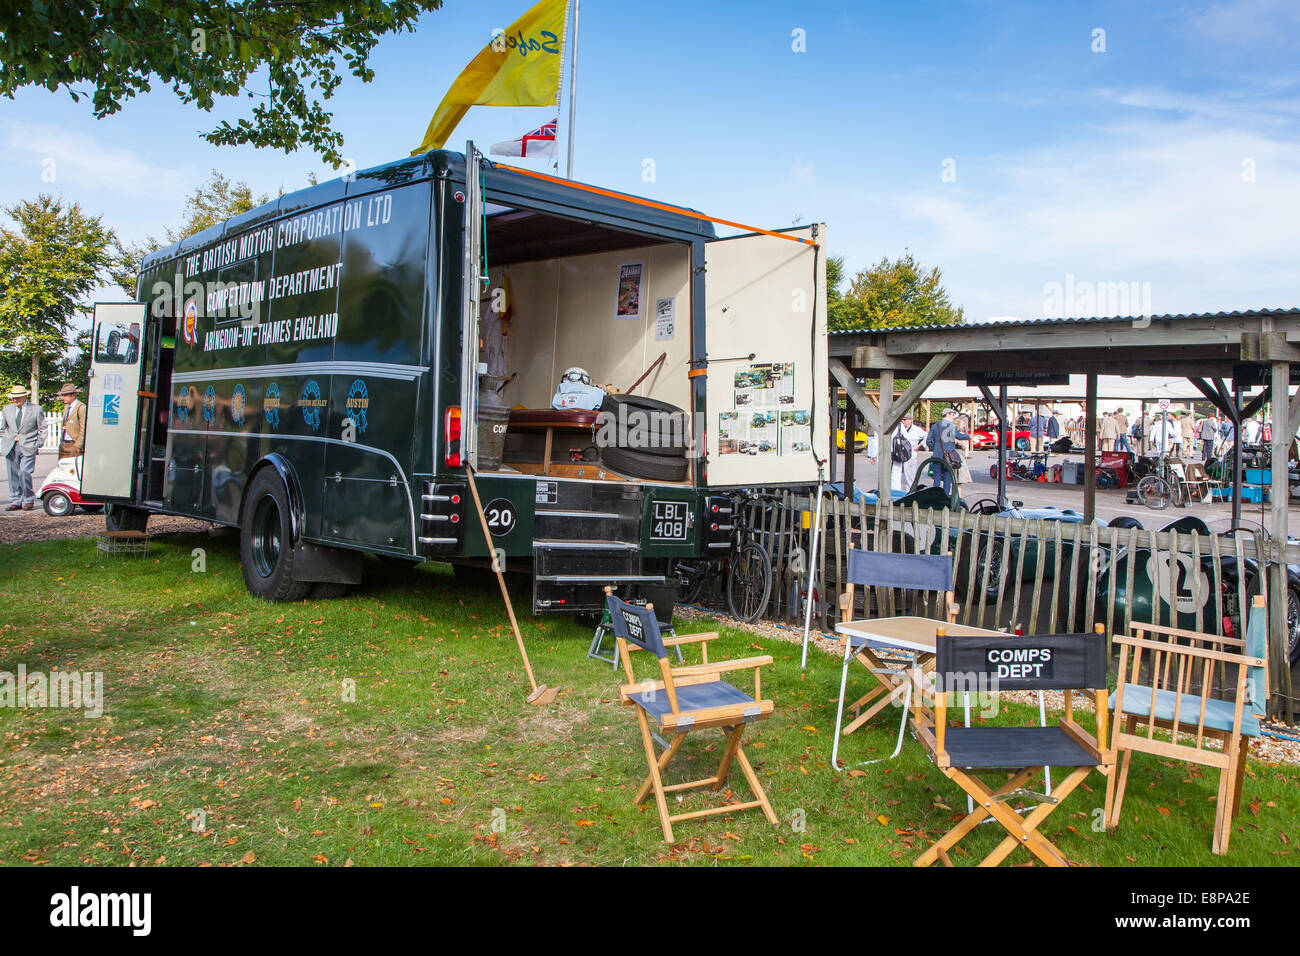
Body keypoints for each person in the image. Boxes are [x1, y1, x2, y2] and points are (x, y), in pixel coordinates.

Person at [1, 384, 44, 511]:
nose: (15, 400)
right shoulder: (7, 409)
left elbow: (42, 429)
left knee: (24, 472)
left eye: (18, 397)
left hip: (29, 445)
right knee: (12, 474)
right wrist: (7, 439)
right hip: (11, 446)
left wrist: (37, 443)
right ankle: (15, 500)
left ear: (25, 396)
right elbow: (3, 428)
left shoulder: (36, 409)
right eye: (13, 397)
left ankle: (28, 499)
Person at [924, 407, 970, 495]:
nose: (954, 417)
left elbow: (928, 441)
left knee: (936, 480)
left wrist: (936, 449)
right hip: (949, 457)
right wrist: (969, 437)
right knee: (947, 479)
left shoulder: (935, 426)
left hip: (936, 457)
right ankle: (945, 498)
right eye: (953, 414)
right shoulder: (951, 425)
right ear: (948, 414)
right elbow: (958, 436)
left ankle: (935, 497)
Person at [891, 414, 927, 492]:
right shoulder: (898, 428)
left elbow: (927, 436)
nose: (903, 421)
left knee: (910, 478)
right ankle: (897, 494)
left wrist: (920, 445)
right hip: (898, 455)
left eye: (905, 420)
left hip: (910, 455)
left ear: (910, 420)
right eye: (902, 420)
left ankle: (910, 494)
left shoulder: (917, 430)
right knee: (896, 477)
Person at [57, 382, 86, 459]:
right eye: (62, 395)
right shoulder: (67, 407)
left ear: (73, 395)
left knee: (72, 468)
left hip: (73, 443)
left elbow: (83, 428)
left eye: (65, 395)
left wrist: (78, 445)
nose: (63, 397)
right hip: (64, 443)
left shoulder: (81, 407)